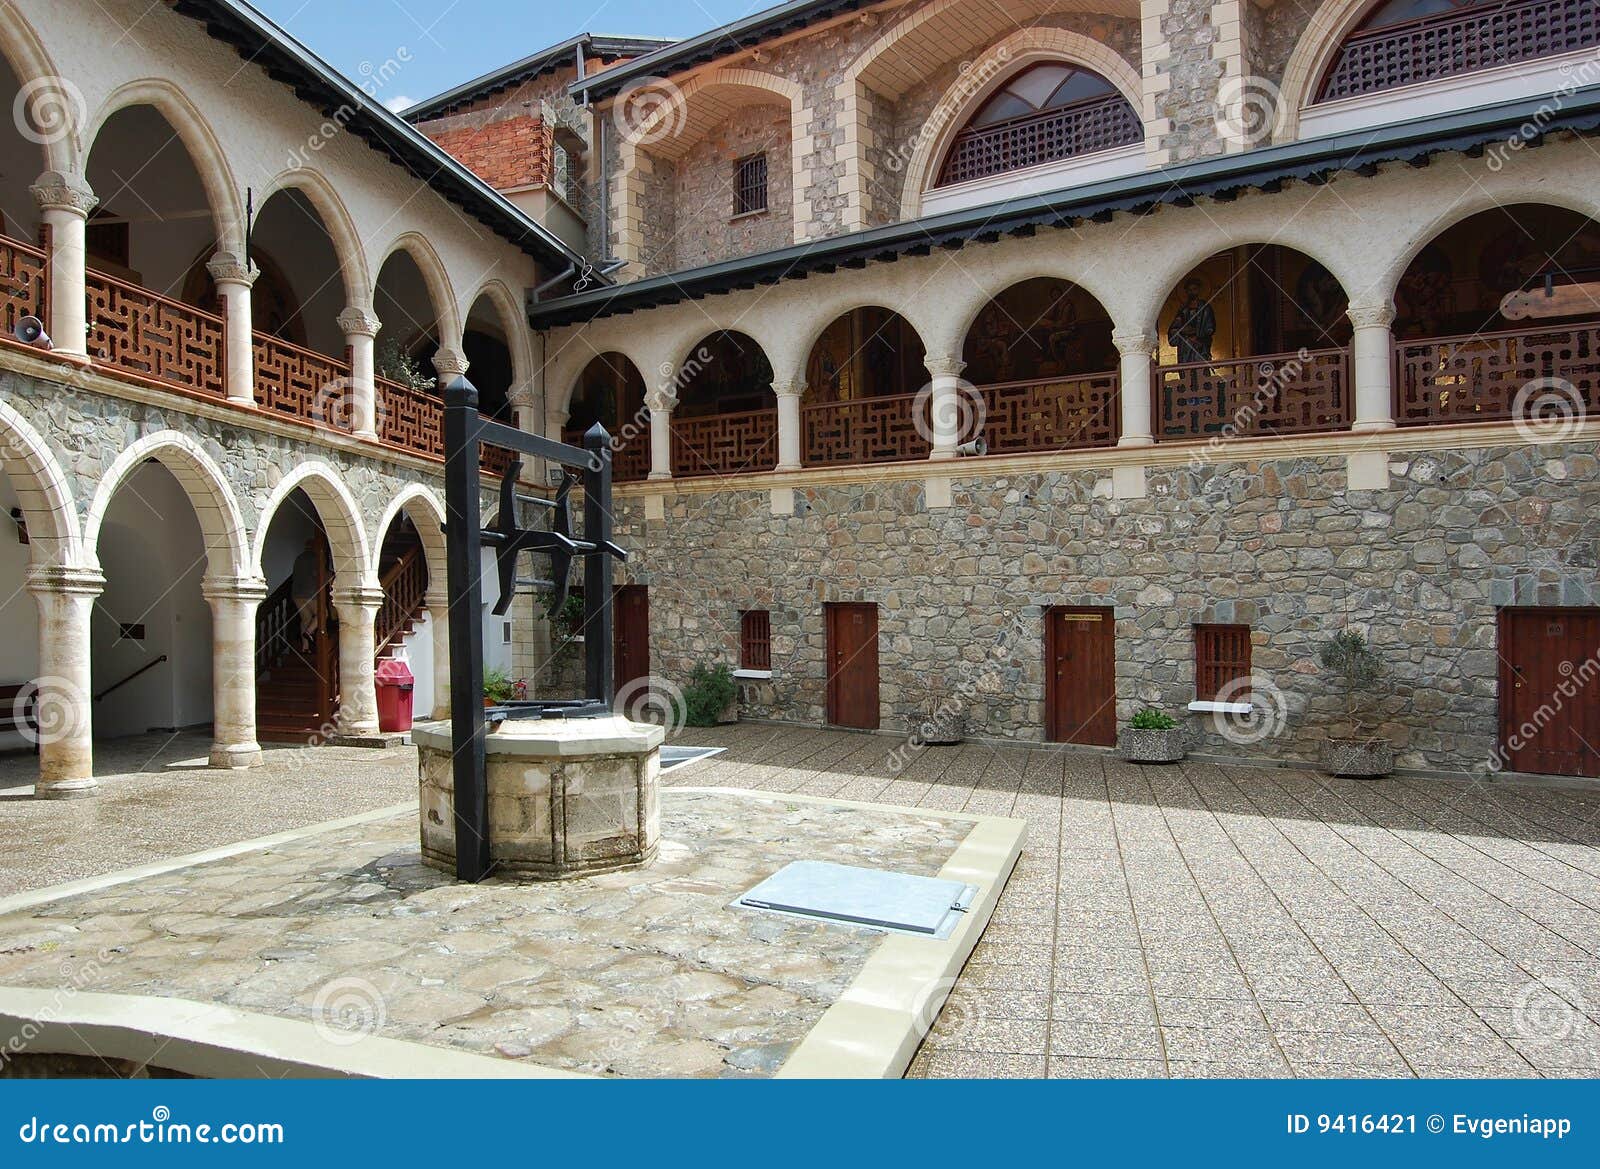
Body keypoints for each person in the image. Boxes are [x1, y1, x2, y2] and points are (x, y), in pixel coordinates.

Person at [1168, 278, 1217, 363]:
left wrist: (1198, 336)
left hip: (1200, 345)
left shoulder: (1205, 308)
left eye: (1194, 289)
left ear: (1198, 290)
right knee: (1185, 370)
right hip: (1185, 347)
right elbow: (1174, 328)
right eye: (1189, 290)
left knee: (1200, 369)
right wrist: (1182, 330)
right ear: (1186, 291)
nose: (1192, 292)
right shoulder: (1183, 309)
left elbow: (1210, 327)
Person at [291, 538, 324, 653]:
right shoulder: (316, 558)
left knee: (305, 619)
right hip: (311, 592)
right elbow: (317, 574)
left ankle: (305, 647)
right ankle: (308, 632)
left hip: (297, 593)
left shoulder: (299, 558)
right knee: (322, 614)